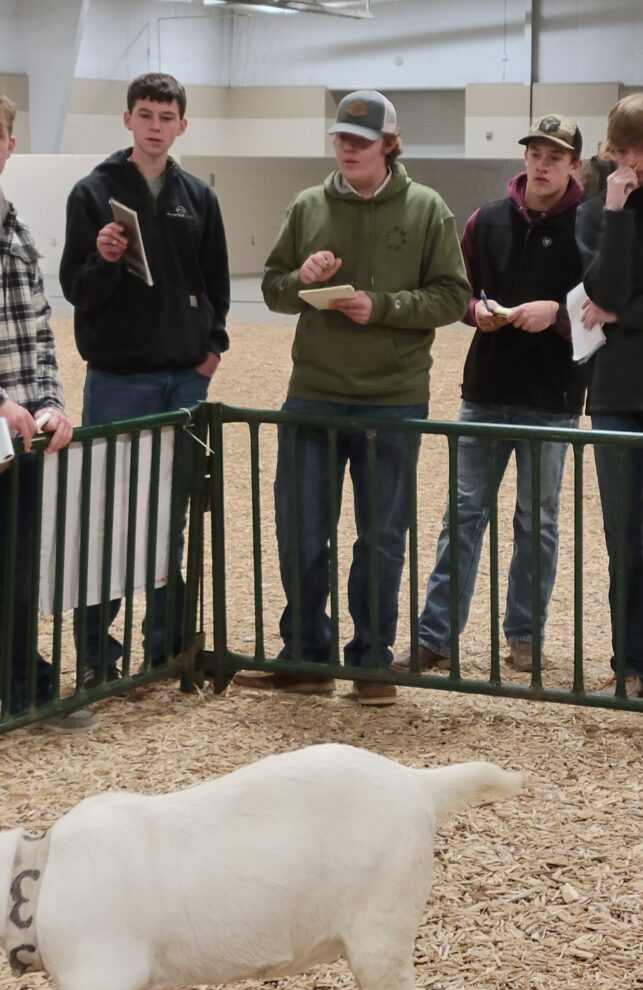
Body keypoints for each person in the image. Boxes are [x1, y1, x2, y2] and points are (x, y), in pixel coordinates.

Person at [232, 89, 470, 706]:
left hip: (392, 399)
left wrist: (384, 308)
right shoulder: (308, 204)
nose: (348, 147)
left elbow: (450, 295)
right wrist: (299, 280)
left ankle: (373, 663)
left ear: (390, 144)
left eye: (361, 140)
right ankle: (307, 656)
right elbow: (274, 289)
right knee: (301, 531)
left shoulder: (428, 209)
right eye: (341, 137)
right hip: (311, 394)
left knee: (381, 537)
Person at [393, 115, 585, 678]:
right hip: (485, 390)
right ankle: (436, 636)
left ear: (574, 164)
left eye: (555, 155)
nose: (542, 163)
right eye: (535, 152)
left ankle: (525, 638)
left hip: (553, 397)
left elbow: (603, 305)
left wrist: (558, 314)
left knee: (538, 522)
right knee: (462, 516)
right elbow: (458, 291)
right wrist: (474, 311)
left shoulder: (591, 226)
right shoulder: (486, 221)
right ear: (524, 157)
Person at [60, 72, 230, 686]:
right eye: (145, 114)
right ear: (127, 120)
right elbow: (76, 290)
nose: (155, 126)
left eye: (166, 116)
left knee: (170, 518)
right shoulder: (93, 193)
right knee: (104, 519)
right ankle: (98, 662)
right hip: (119, 380)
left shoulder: (198, 198)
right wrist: (103, 260)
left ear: (182, 125)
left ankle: (166, 651)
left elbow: (217, 285)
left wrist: (209, 353)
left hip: (184, 383)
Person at [0, 93, 89, 732]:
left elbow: (42, 334)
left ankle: (22, 686)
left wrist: (51, 401)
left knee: (17, 564)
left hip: (20, 437)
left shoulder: (18, 229)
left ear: (9, 144)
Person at [575, 93, 643, 698]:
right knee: (625, 534)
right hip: (619, 394)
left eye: (641, 148)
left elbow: (616, 306)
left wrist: (624, 314)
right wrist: (618, 211)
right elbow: (600, 289)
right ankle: (630, 660)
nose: (633, 159)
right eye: (624, 148)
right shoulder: (597, 212)